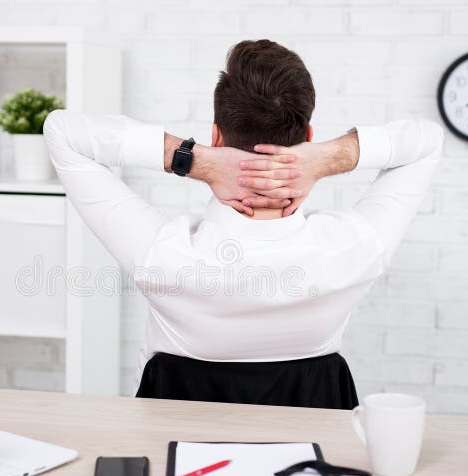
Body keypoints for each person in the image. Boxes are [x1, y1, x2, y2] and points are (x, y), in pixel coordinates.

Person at [44, 39, 443, 409]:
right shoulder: (355, 248)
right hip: (310, 467)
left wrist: (192, 159)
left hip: (179, 462)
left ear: (216, 136)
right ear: (306, 135)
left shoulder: (162, 254)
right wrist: (325, 158)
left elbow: (62, 132)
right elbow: (425, 140)